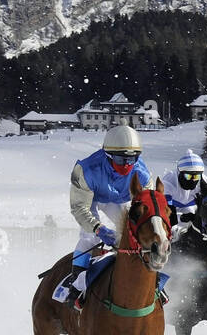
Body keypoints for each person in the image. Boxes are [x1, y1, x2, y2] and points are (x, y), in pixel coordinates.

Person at [61, 124, 151, 310]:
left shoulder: (142, 174)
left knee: (133, 234)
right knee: (89, 236)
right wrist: (98, 229)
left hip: (117, 200)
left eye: (132, 159)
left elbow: (146, 209)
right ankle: (76, 283)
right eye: (120, 159)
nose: (126, 165)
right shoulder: (86, 169)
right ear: (108, 155)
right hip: (90, 198)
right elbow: (79, 208)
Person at [161, 149, 206, 238]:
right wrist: (178, 220)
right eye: (188, 176)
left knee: (191, 216)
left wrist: (195, 217)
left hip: (189, 208)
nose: (193, 179)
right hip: (169, 208)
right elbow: (167, 209)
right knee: (171, 229)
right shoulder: (169, 181)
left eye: (196, 176)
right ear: (179, 172)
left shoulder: (203, 181)